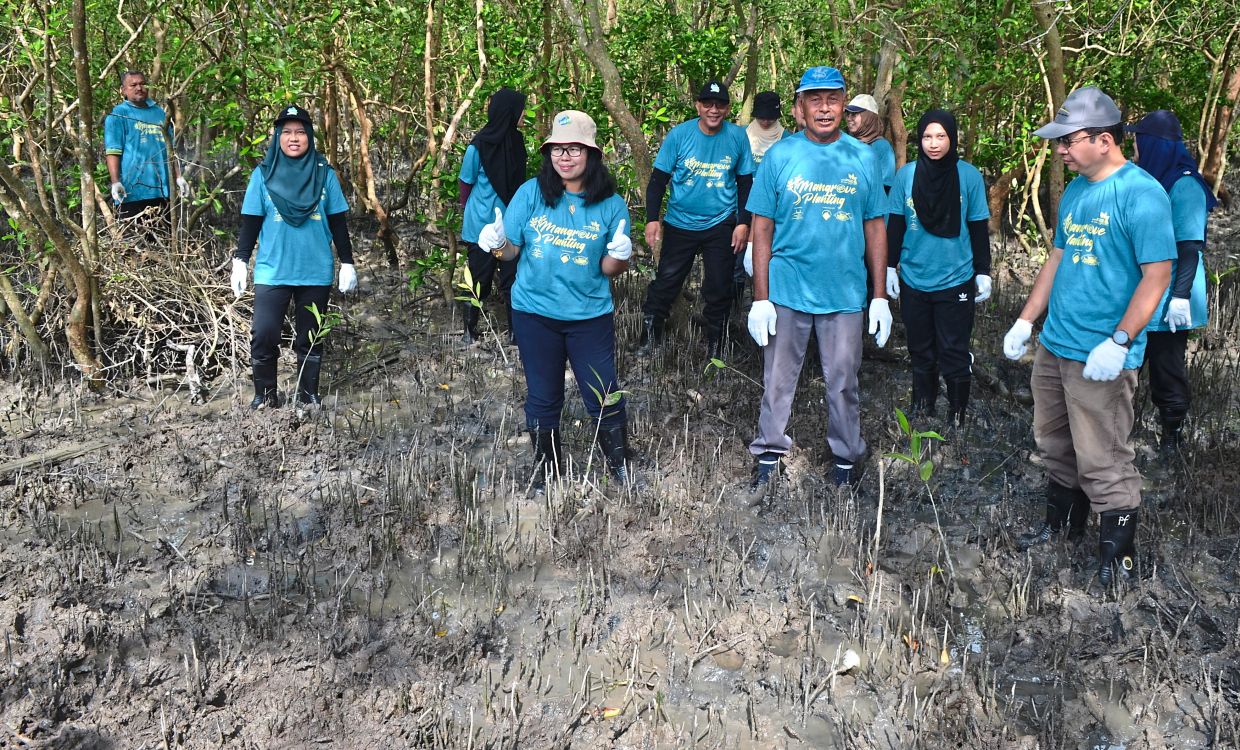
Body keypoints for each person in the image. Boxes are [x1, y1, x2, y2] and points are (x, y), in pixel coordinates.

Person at [1002, 87, 1173, 585]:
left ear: (1104, 140)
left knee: (1103, 457)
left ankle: (1116, 560)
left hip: (1101, 353)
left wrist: (1120, 341)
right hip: (1056, 344)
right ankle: (1062, 529)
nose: (1059, 149)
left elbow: (1157, 275)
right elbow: (1057, 259)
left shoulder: (1141, 195)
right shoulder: (1076, 190)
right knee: (1052, 441)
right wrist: (1026, 319)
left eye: (1068, 140)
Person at [745, 66, 893, 492]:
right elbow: (762, 225)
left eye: (832, 99)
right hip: (787, 287)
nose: (825, 107)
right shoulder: (780, 156)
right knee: (777, 379)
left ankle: (846, 457)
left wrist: (879, 296)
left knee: (843, 380)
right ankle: (770, 453)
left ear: (843, 104)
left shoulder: (863, 157)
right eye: (815, 99)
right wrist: (760, 297)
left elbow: (875, 227)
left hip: (844, 291)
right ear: (799, 108)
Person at [474, 111, 633, 490]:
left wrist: (622, 255)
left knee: (603, 392)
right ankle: (548, 469)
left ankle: (619, 464)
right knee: (544, 394)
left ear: (591, 154)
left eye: (574, 148)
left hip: (589, 315)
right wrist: (497, 245)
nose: (565, 156)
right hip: (534, 314)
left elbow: (610, 269)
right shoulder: (531, 193)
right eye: (557, 149)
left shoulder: (611, 204)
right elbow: (511, 252)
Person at [230, 105, 357, 408]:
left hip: (315, 270)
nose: (294, 138)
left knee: (311, 336)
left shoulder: (325, 175)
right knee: (264, 333)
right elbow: (251, 222)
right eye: (287, 132)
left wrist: (348, 263)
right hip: (272, 270)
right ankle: (265, 395)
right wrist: (240, 261)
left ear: (310, 137)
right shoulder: (262, 175)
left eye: (300, 132)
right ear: (277, 137)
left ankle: (307, 395)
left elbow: (339, 223)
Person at [885, 110, 992, 425]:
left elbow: (977, 225)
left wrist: (983, 270)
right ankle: (923, 410)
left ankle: (957, 417)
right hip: (914, 277)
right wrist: (891, 266)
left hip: (955, 278)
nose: (934, 144)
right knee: (920, 349)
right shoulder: (905, 175)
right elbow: (895, 224)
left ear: (952, 138)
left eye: (941, 136)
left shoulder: (968, 176)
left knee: (954, 351)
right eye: (928, 137)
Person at [639, 79, 756, 357]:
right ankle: (649, 334)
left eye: (720, 105)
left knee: (719, 284)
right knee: (667, 281)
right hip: (680, 222)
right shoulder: (680, 135)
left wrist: (743, 223)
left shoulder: (738, 137)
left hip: (721, 222)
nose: (713, 110)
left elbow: (745, 183)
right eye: (708, 104)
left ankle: (717, 341)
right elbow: (658, 181)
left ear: (727, 109)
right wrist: (652, 218)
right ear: (698, 106)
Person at [1126, 109, 1218, 458]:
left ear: (1152, 145)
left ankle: (1171, 439)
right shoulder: (1147, 180)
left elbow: (1190, 246)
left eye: (1137, 141)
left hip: (1170, 299)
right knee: (1129, 364)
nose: (1133, 148)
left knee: (1167, 369)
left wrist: (1178, 298)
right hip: (1145, 291)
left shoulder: (1185, 185)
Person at [458, 88, 527, 342]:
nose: (525, 114)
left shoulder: (517, 143)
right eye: (522, 110)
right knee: (480, 279)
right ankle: (469, 331)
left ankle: (515, 333)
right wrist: (469, 211)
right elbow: (466, 181)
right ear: (509, 112)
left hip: (510, 226)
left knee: (512, 280)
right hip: (480, 225)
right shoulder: (477, 147)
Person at [104, 70, 189, 222]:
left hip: (163, 192)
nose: (139, 88)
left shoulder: (159, 113)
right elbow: (113, 151)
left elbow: (171, 149)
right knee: (135, 242)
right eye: (133, 85)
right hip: (132, 193)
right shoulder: (118, 115)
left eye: (142, 84)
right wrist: (115, 181)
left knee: (164, 241)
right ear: (123, 90)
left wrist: (178, 177)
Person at [738, 91, 789, 303]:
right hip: (741, 207)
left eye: (771, 117)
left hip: (774, 212)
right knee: (736, 265)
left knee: (770, 261)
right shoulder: (742, 135)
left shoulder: (788, 139)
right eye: (762, 116)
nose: (766, 121)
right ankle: (735, 312)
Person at [844, 94, 896, 193]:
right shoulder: (846, 143)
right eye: (848, 114)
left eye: (854, 114)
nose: (849, 118)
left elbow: (885, 187)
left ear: (868, 118)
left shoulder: (881, 146)